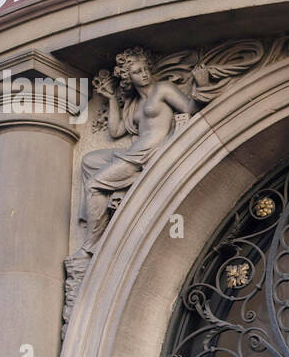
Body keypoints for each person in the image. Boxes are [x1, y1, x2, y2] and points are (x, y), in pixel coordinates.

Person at [78, 47, 209, 251]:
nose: (144, 74)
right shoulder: (134, 104)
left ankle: (92, 245)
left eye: (145, 69)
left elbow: (189, 108)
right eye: (137, 72)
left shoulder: (163, 89)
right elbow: (115, 130)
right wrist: (112, 98)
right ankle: (100, 218)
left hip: (147, 154)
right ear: (128, 77)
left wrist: (202, 84)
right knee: (88, 161)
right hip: (132, 152)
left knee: (94, 185)